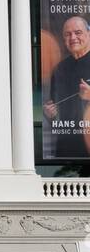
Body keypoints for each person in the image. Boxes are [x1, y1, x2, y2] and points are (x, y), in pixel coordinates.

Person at [43, 16, 90, 159]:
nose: (73, 37)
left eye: (78, 32)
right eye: (68, 34)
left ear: (89, 34)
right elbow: (54, 111)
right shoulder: (59, 69)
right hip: (65, 153)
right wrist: (50, 114)